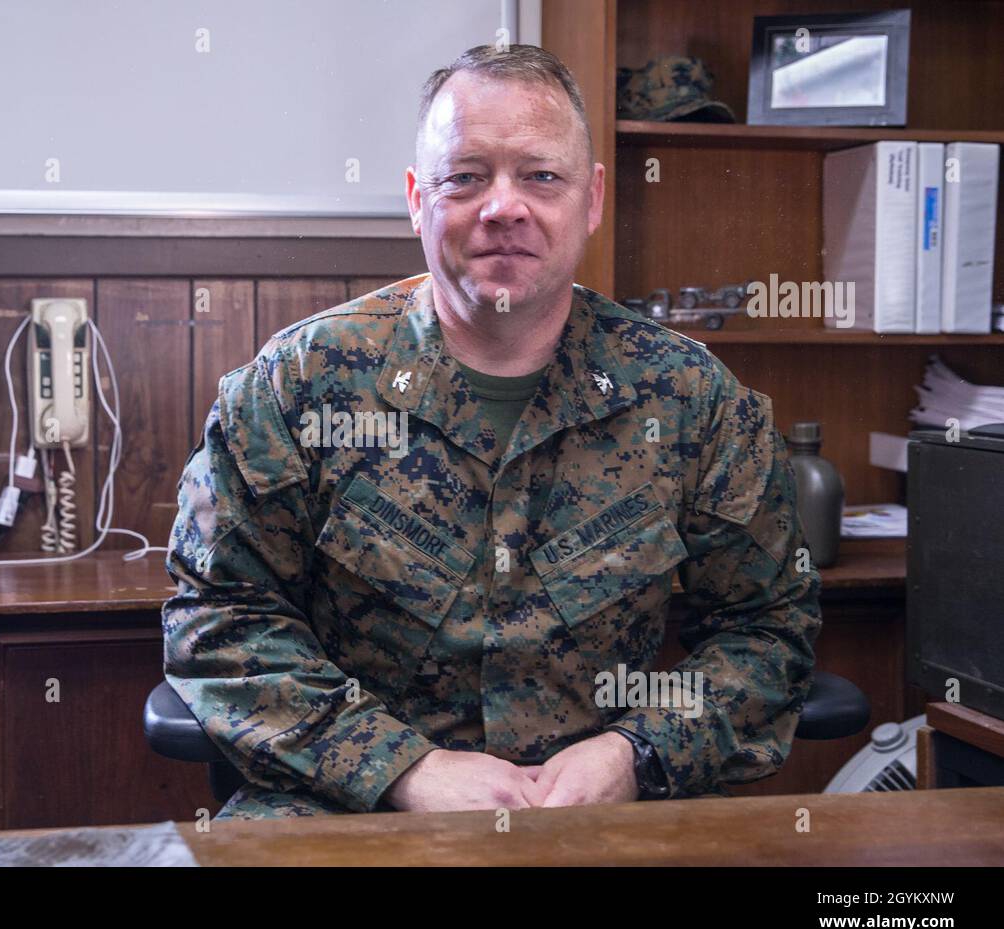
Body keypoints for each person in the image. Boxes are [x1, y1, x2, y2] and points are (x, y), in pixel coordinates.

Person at [162, 44, 820, 820]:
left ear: (593, 198)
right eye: (466, 177)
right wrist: (402, 768)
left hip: (592, 814)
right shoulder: (298, 383)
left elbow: (769, 630)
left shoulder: (688, 396)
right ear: (416, 200)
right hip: (349, 809)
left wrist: (638, 753)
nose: (503, 206)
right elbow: (219, 618)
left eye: (541, 176)